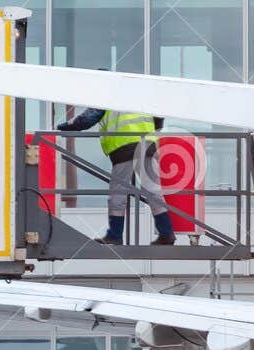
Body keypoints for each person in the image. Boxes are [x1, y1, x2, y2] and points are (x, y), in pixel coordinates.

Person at [55, 103, 176, 246]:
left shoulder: (107, 95)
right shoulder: (143, 93)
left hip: (124, 147)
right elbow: (158, 118)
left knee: (118, 193)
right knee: (153, 191)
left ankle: (115, 235)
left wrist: (59, 127)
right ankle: (166, 233)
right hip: (147, 145)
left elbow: (85, 120)